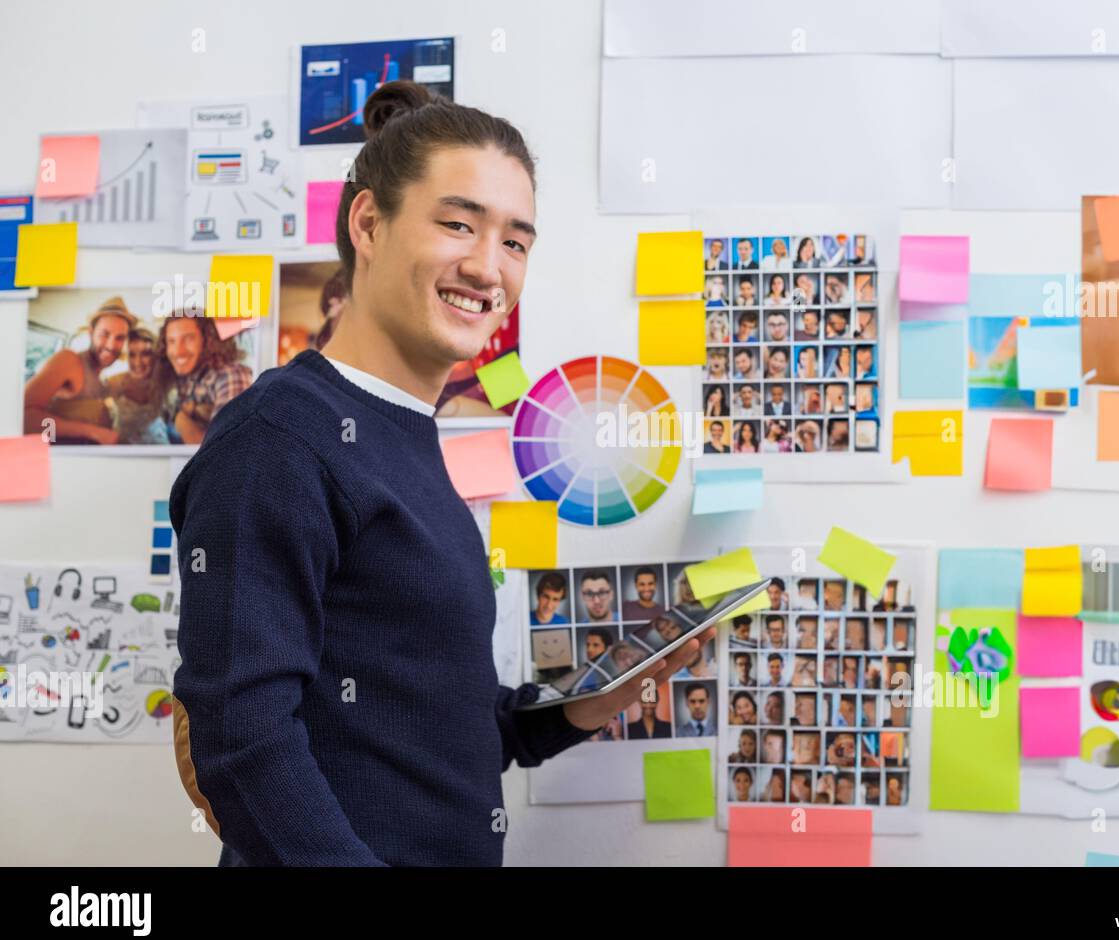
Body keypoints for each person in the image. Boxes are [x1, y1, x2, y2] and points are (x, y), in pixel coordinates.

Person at [170, 81, 713, 867]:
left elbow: (430, 730)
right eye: (458, 224)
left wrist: (576, 708)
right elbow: (242, 745)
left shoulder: (407, 438)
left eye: (516, 242)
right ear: (369, 223)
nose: (488, 267)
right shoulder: (277, 439)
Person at [23, 296, 136, 445]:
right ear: (91, 332)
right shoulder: (68, 360)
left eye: (119, 338)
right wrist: (94, 432)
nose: (111, 345)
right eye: (104, 334)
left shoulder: (102, 378)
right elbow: (22, 418)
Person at [158, 313, 254, 444]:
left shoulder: (230, 375)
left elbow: (225, 447)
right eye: (172, 341)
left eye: (188, 339)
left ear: (207, 340)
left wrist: (182, 421)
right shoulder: (180, 377)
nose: (178, 351)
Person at [103, 326, 169, 444]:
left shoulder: (165, 382)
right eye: (132, 355)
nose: (137, 362)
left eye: (145, 354)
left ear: (155, 355)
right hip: (125, 452)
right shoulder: (113, 383)